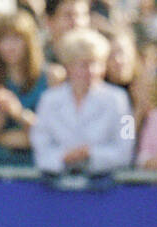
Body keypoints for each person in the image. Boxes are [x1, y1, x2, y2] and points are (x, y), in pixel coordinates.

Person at [31, 27, 133, 175]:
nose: (92, 70)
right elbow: (39, 143)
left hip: (104, 186)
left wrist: (90, 154)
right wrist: (64, 157)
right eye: (84, 64)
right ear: (68, 66)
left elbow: (127, 146)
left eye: (97, 63)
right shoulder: (48, 100)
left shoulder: (120, 99)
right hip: (57, 186)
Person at [0, 13, 47, 167]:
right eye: (3, 40)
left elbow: (54, 135)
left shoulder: (51, 76)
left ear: (29, 41)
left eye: (16, 39)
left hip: (38, 168)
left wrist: (19, 113)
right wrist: (2, 112)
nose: (9, 47)